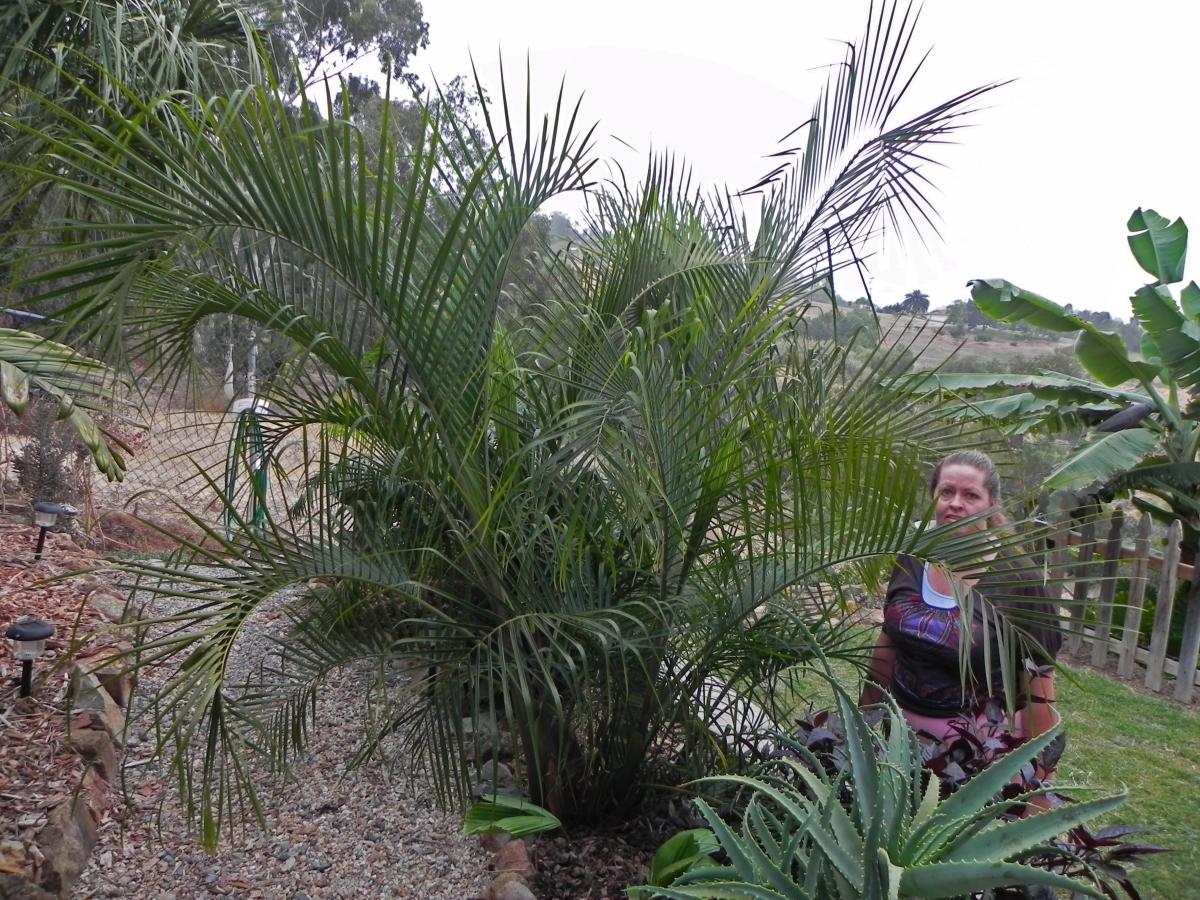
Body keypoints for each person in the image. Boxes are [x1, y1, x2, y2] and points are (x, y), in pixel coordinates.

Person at [860, 450, 1062, 778]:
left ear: (991, 505)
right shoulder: (911, 558)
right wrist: (862, 722)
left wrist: (1041, 779)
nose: (956, 503)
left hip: (977, 763)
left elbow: (1037, 680)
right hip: (897, 752)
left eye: (970, 495)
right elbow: (888, 642)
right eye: (946, 492)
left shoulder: (1016, 577)